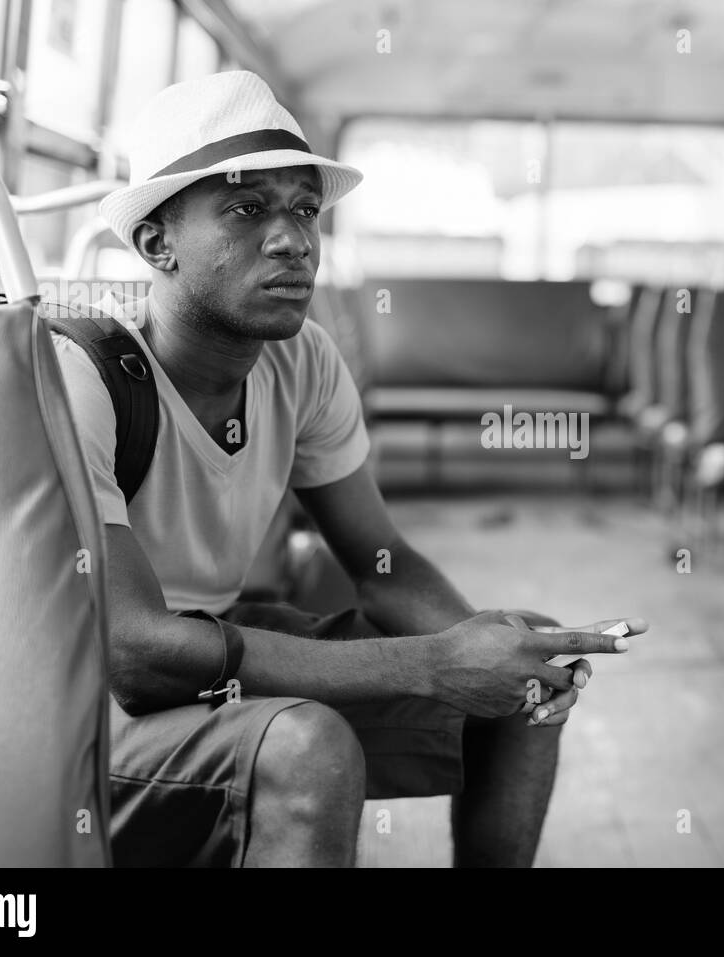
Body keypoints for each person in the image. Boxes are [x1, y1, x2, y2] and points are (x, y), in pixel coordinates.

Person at [52, 70, 644, 867]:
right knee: (310, 746)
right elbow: (137, 652)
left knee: (517, 678)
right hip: (84, 712)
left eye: (303, 206)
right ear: (157, 244)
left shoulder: (300, 360)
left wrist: (486, 651)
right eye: (246, 207)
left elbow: (380, 563)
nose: (294, 237)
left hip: (210, 664)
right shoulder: (81, 376)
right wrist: (432, 664)